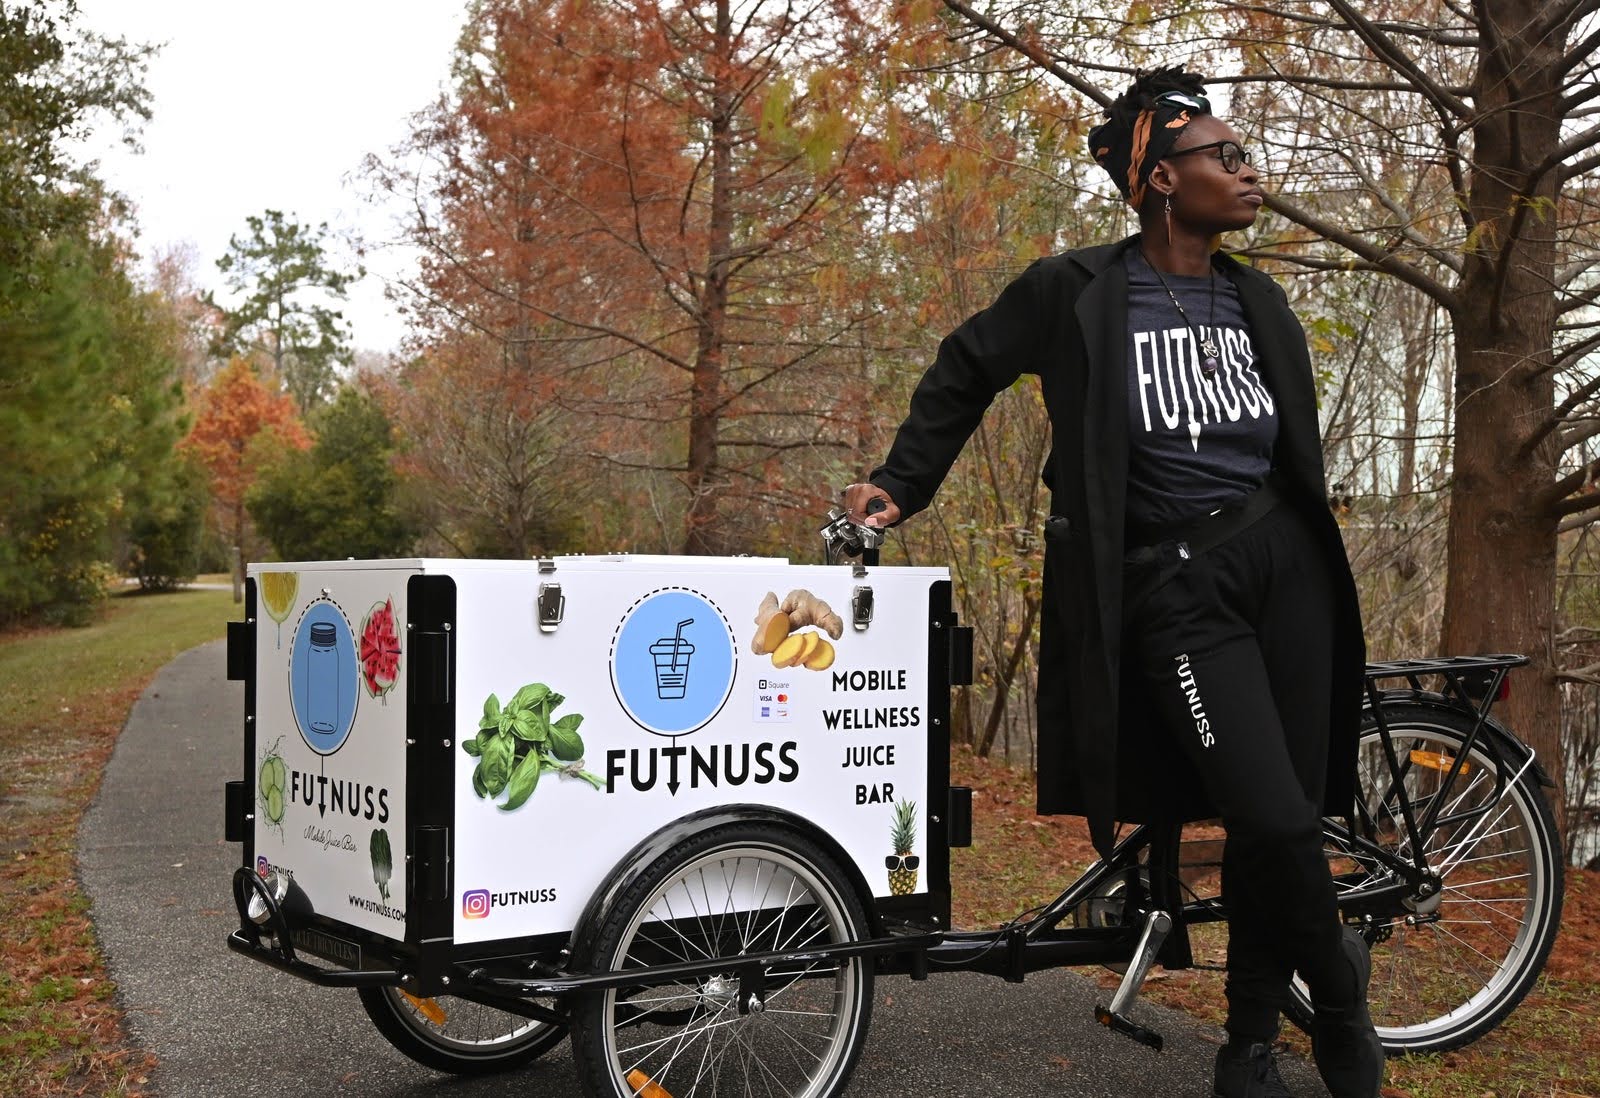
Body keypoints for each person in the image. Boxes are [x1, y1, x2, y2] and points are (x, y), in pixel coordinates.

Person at [842, 67, 1381, 1098]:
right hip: (1173, 584)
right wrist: (899, 484)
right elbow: (965, 365)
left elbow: (1291, 452)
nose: (1246, 168)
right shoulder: (1077, 291)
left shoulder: (1255, 300)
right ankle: (1346, 1019)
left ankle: (1249, 1046)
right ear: (1163, 179)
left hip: (1286, 570)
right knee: (1264, 816)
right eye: (1224, 155)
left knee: (1288, 817)